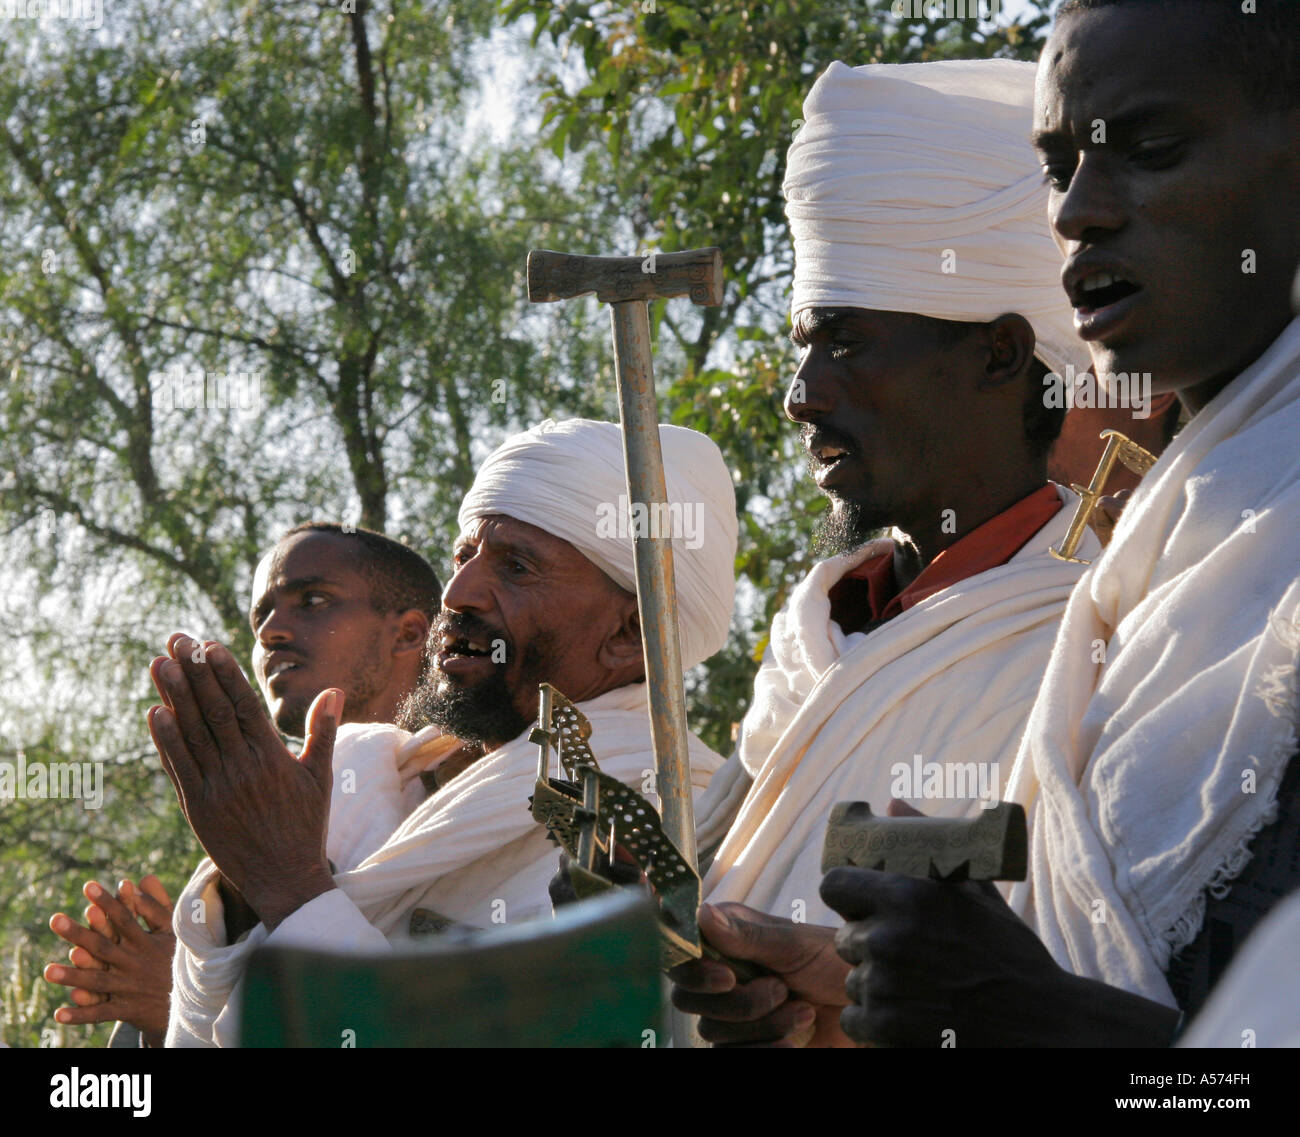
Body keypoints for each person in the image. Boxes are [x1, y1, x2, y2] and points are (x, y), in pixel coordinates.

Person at [699, 0, 1300, 1047]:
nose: (1075, 213)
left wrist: (1038, 1026)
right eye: (1055, 166)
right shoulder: (1158, 569)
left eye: (1149, 149)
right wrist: (849, 998)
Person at [673, 58, 1109, 1045]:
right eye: (801, 348)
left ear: (1000, 353)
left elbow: (1090, 974)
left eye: (846, 344)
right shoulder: (815, 632)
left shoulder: (1095, 637)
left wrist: (844, 994)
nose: (801, 394)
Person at [154, 418, 738, 1046]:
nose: (458, 593)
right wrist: (245, 888)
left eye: (515, 568)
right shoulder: (367, 779)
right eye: (464, 557)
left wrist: (291, 888)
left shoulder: (674, 825)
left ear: (628, 635)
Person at [44, 523, 441, 1047]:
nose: (271, 631)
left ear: (410, 633)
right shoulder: (251, 830)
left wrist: (193, 992)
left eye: (313, 600)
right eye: (261, 616)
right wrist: (192, 979)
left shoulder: (472, 802)